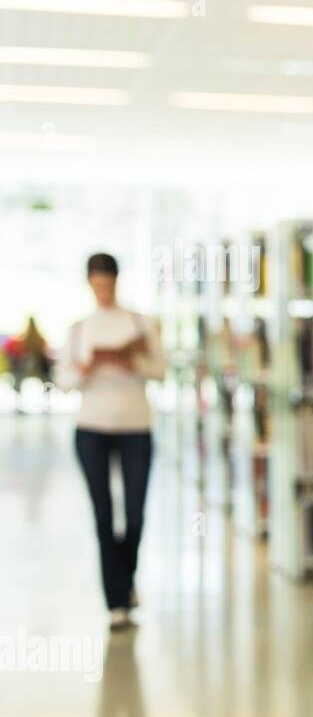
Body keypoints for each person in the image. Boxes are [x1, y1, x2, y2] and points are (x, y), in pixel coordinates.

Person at [56, 254, 166, 630]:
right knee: (103, 515)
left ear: (117, 281)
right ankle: (117, 601)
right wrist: (86, 369)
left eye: (108, 284)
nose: (102, 291)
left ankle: (126, 578)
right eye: (96, 285)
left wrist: (131, 364)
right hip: (92, 428)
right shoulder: (79, 328)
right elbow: (63, 381)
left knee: (134, 514)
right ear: (89, 284)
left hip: (135, 426)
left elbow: (162, 370)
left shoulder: (140, 323)